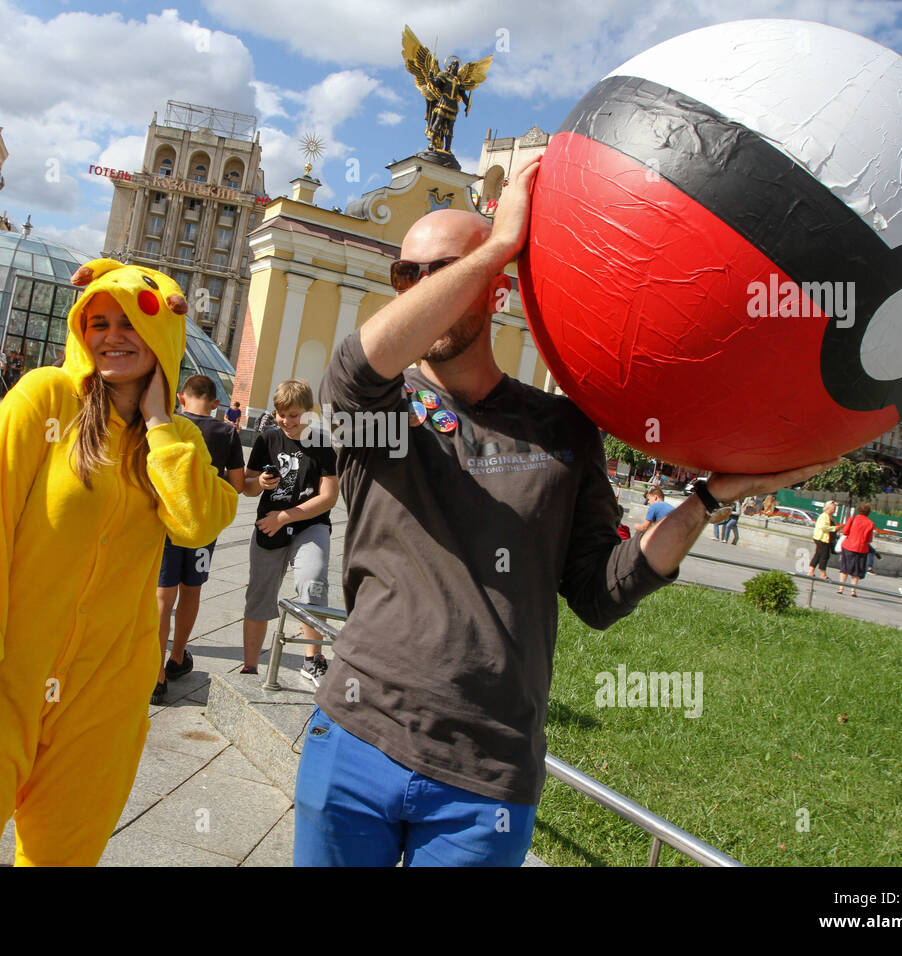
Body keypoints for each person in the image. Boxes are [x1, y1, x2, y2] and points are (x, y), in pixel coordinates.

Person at [296, 156, 834, 867]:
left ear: (496, 291)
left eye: (444, 270)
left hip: (485, 777)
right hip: (357, 740)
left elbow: (601, 591)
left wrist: (708, 500)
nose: (422, 288)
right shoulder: (380, 414)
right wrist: (494, 245)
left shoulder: (560, 428)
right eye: (407, 275)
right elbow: (356, 369)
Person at [0, 260, 236, 866]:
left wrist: (159, 422)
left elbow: (198, 522)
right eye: (98, 322)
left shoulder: (177, 437)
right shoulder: (43, 397)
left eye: (131, 323)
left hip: (102, 697)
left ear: (164, 335)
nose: (112, 336)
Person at [152, 373, 245, 704]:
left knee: (163, 597)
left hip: (167, 522)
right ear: (217, 404)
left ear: (181, 398)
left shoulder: (171, 425)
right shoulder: (227, 432)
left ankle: (156, 676)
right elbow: (235, 484)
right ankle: (177, 658)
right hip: (203, 527)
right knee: (192, 590)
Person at [241, 379, 338, 684]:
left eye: (294, 415)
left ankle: (313, 660)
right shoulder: (267, 440)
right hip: (268, 526)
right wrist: (260, 484)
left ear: (308, 413)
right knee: (259, 593)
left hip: (309, 524)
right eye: (282, 413)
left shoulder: (322, 444)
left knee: (313, 581)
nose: (287, 421)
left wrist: (284, 516)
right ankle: (250, 665)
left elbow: (329, 497)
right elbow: (247, 486)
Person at [836, 503, 876, 597]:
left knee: (845, 567)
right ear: (868, 512)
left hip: (848, 546)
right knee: (857, 570)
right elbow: (869, 539)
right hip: (861, 548)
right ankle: (853, 590)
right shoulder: (870, 523)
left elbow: (845, 532)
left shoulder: (853, 519)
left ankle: (841, 588)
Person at [808, 500, 840, 581]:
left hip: (825, 539)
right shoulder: (824, 516)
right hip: (822, 539)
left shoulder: (830, 517)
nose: (835, 510)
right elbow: (823, 527)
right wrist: (834, 528)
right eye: (834, 508)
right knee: (824, 556)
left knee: (818, 554)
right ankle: (823, 573)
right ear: (829, 508)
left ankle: (811, 571)